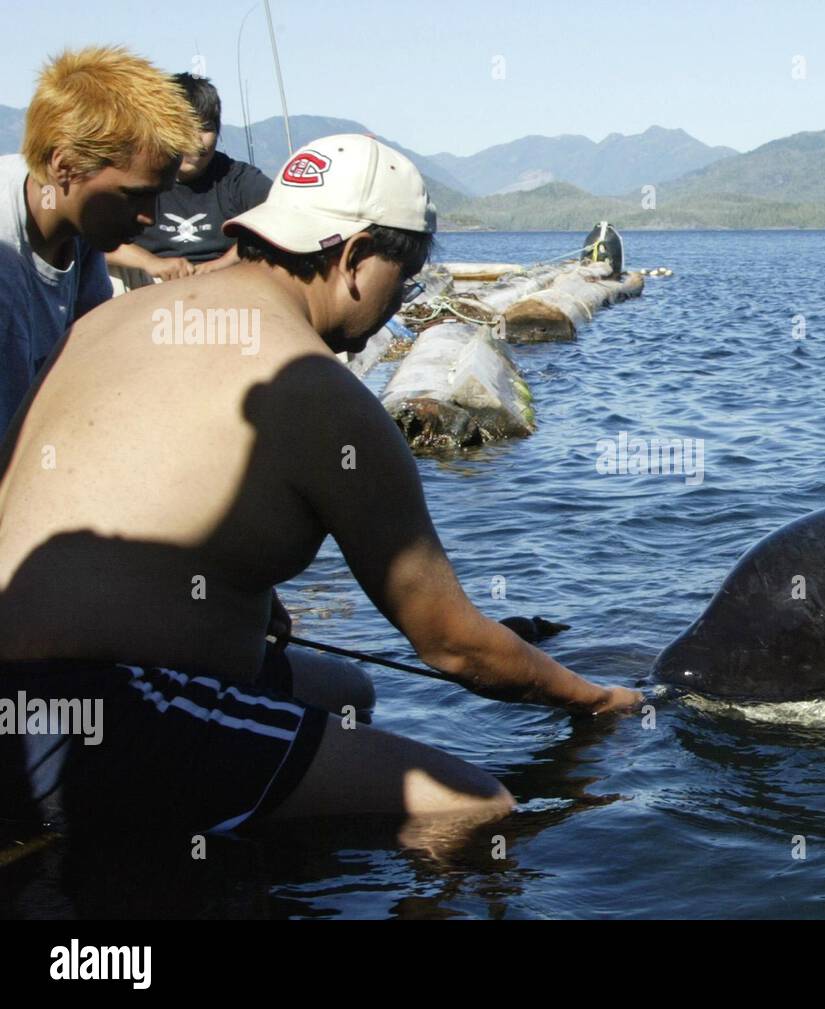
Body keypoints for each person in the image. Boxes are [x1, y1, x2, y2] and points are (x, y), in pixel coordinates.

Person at [0, 135, 642, 840]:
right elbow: (455, 644)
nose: (402, 303)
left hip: (31, 689)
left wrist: (234, 592)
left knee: (349, 693)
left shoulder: (108, 320)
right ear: (356, 258)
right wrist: (596, 698)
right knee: (475, 804)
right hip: (84, 713)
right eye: (408, 279)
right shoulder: (317, 389)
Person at [0, 46, 200, 436]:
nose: (150, 218)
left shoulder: (81, 224)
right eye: (135, 195)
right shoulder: (5, 258)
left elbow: (88, 361)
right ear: (65, 166)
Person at [105, 73, 271, 290]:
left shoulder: (237, 178)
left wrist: (223, 263)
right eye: (185, 128)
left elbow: (281, 220)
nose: (195, 140)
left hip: (228, 284)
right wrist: (152, 263)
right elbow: (96, 241)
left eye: (206, 128)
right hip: (149, 285)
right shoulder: (133, 176)